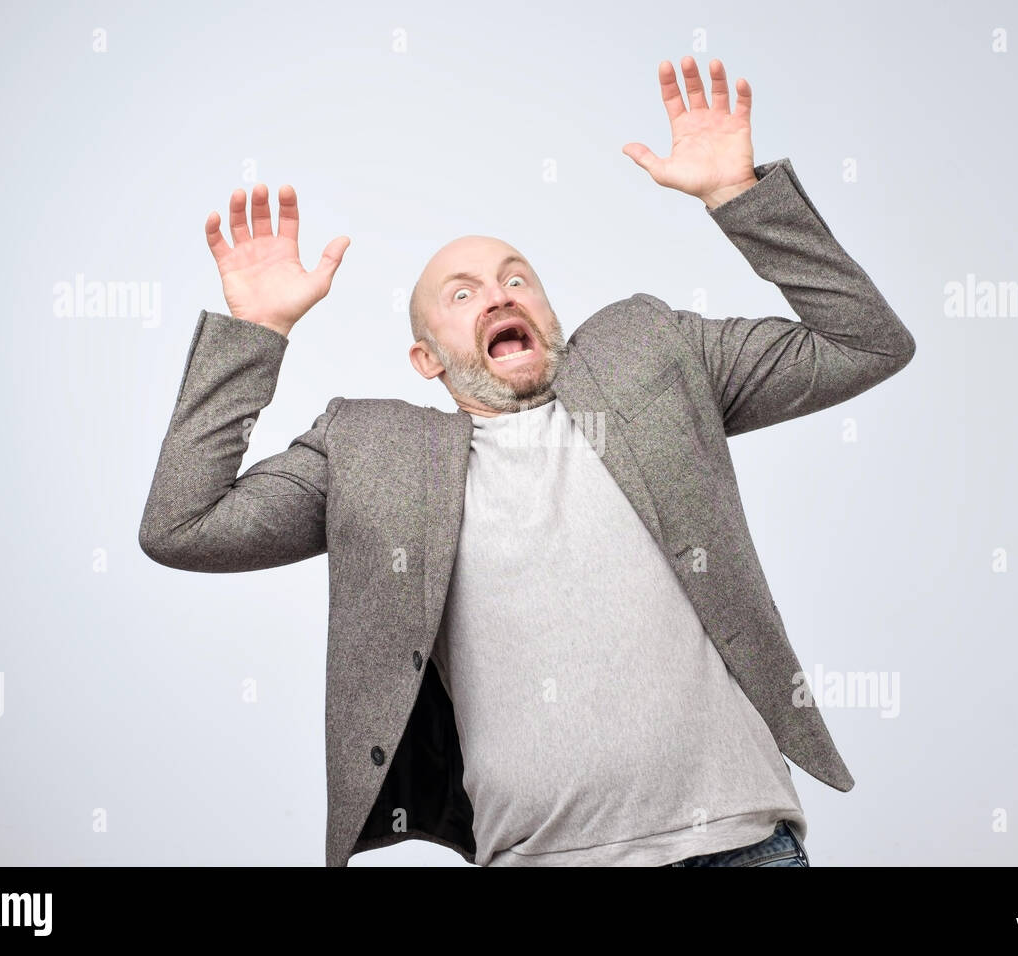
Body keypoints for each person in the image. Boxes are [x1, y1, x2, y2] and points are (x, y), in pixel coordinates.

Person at [140, 57, 915, 867]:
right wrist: (256, 336)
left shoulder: (651, 353)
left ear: (550, 312)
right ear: (426, 359)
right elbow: (182, 528)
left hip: (740, 847)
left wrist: (738, 196)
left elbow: (866, 343)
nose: (501, 295)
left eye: (518, 279)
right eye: (464, 293)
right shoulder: (370, 451)